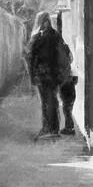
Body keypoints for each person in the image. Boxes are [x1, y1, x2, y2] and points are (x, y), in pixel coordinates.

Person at [25, 11, 69, 140]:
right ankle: (53, 128)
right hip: (54, 75)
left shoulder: (37, 37)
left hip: (43, 76)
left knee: (46, 102)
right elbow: (63, 53)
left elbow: (30, 57)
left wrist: (32, 76)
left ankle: (47, 128)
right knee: (53, 100)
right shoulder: (56, 35)